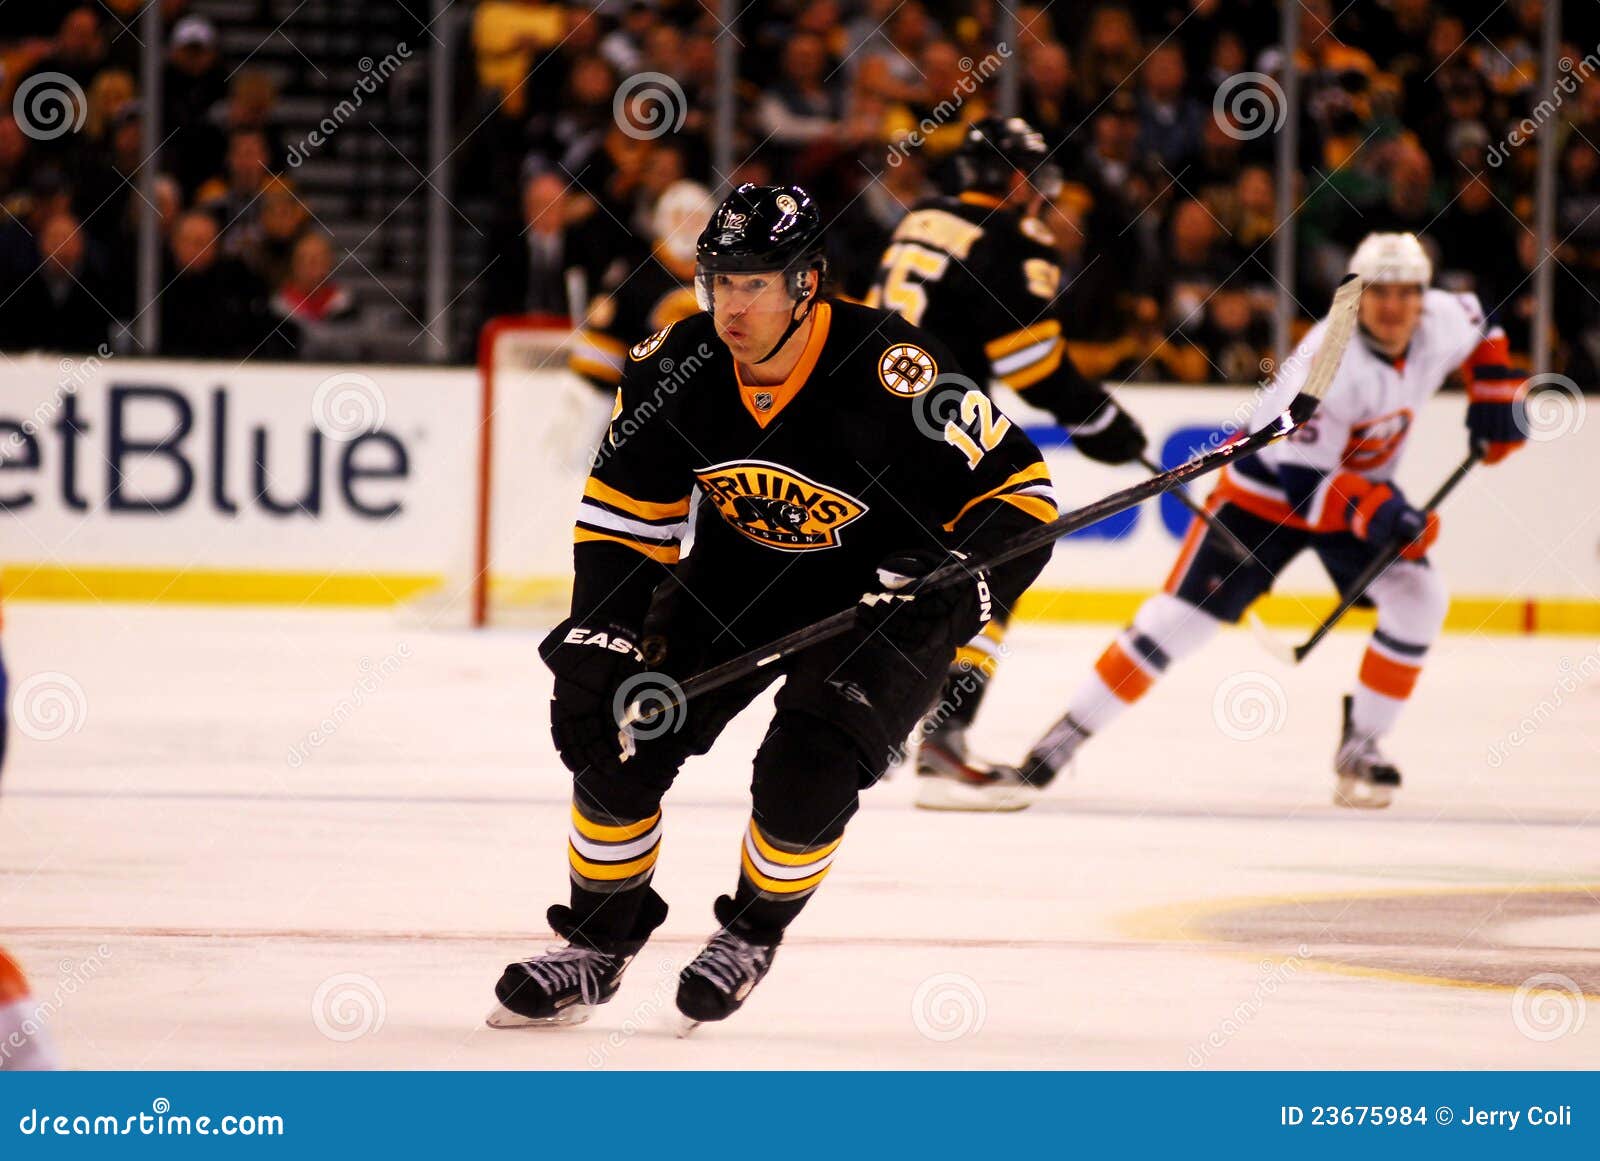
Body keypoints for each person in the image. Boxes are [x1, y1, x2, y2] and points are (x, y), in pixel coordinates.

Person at [490, 184, 1056, 1030]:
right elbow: (623, 519)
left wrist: (955, 583)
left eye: (756, 283)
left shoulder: (894, 368)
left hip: (884, 602)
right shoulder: (673, 366)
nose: (732, 305)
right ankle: (596, 945)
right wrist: (599, 632)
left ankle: (750, 932)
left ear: (807, 283)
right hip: (735, 580)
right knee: (620, 726)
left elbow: (1024, 496)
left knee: (805, 770)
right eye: (721, 280)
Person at [998, 232, 1527, 809]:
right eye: (1379, 293)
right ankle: (1060, 742)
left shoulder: (1444, 318)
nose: (1394, 306)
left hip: (1356, 491)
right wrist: (1384, 514)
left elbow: (1485, 320)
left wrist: (1494, 389)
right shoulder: (1328, 361)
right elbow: (1305, 487)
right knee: (1176, 622)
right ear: (1355, 296)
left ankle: (1363, 745)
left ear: (1424, 295)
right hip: (1265, 499)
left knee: (1420, 597)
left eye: (1406, 293)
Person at [866, 116, 1147, 810]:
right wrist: (1102, 421)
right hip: (941, 434)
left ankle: (871, 721)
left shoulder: (920, 218)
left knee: (899, 575)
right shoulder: (1014, 235)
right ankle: (943, 742)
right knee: (1002, 562)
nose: (1042, 194)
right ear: (1019, 178)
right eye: (1037, 179)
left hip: (863, 418)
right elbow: (1033, 367)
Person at [567, 180, 714, 392]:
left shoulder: (732, 278)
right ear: (660, 220)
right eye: (679, 217)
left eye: (696, 218)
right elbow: (595, 372)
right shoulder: (633, 277)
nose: (688, 226)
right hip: (650, 404)